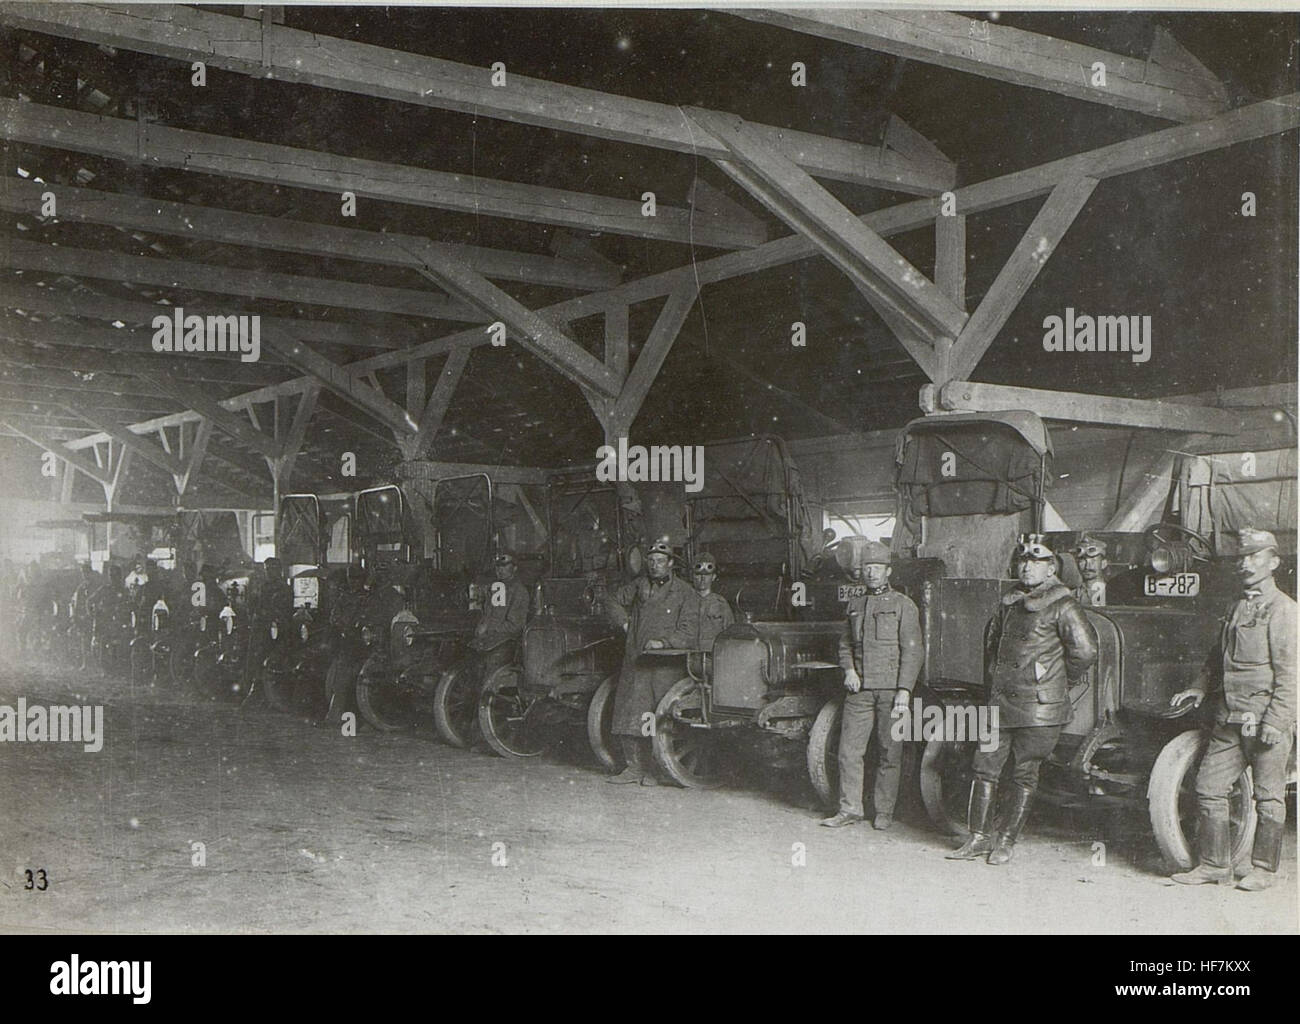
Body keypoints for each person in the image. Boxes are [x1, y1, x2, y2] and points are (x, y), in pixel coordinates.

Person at [947, 534, 1098, 864]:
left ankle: (1005, 842)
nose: (1027, 566)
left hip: (1039, 710)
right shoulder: (1010, 602)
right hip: (1001, 705)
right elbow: (992, 648)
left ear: (1051, 568)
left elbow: (1085, 652)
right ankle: (978, 838)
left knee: (1023, 773)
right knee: (983, 768)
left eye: (1037, 560)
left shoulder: (1064, 605)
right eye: (1023, 560)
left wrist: (1056, 683)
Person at [1170, 528, 1295, 891]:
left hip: (1265, 720)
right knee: (1209, 787)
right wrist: (1198, 686)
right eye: (1242, 557)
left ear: (1273, 562)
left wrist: (1277, 721)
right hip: (1229, 718)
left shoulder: (1284, 610)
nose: (1246, 563)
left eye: (1255, 556)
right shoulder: (1237, 606)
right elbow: (1217, 657)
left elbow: (1292, 675)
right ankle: (1214, 865)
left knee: (1268, 796)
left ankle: (1264, 870)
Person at [821, 540, 923, 831]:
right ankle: (850, 809)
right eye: (867, 568)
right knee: (848, 752)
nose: (871, 573)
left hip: (892, 692)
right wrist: (849, 670)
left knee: (890, 753)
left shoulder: (904, 605)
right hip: (860, 690)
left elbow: (913, 650)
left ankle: (884, 811)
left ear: (888, 571)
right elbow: (845, 644)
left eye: (877, 568)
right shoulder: (855, 605)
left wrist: (904, 692)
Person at [607, 536, 699, 786]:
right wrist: (625, 623)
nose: (655, 565)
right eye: (651, 561)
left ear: (671, 564)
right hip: (636, 661)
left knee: (660, 717)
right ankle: (633, 768)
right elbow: (612, 600)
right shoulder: (638, 585)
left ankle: (657, 771)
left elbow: (689, 630)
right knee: (630, 714)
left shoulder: (685, 593)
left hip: (665, 666)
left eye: (660, 561)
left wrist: (664, 643)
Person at [672, 552, 735, 652]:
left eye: (707, 575)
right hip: (687, 656)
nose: (702, 579)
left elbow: (730, 635)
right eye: (698, 574)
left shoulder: (721, 604)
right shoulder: (683, 602)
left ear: (713, 577)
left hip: (713, 656)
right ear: (692, 576)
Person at [1073, 534, 1109, 607]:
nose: (1087, 566)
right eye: (1082, 561)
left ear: (1104, 563)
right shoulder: (1072, 594)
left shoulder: (1110, 593)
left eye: (1093, 561)